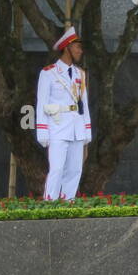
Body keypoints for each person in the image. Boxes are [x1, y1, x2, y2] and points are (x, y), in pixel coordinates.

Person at [36, 26, 92, 200]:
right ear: (67, 47)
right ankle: (50, 204)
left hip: (77, 127)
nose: (80, 51)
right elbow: (42, 104)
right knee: (57, 168)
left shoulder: (80, 74)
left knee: (75, 169)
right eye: (77, 47)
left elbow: (84, 104)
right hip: (57, 127)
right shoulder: (49, 73)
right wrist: (42, 130)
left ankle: (67, 203)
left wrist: (87, 129)